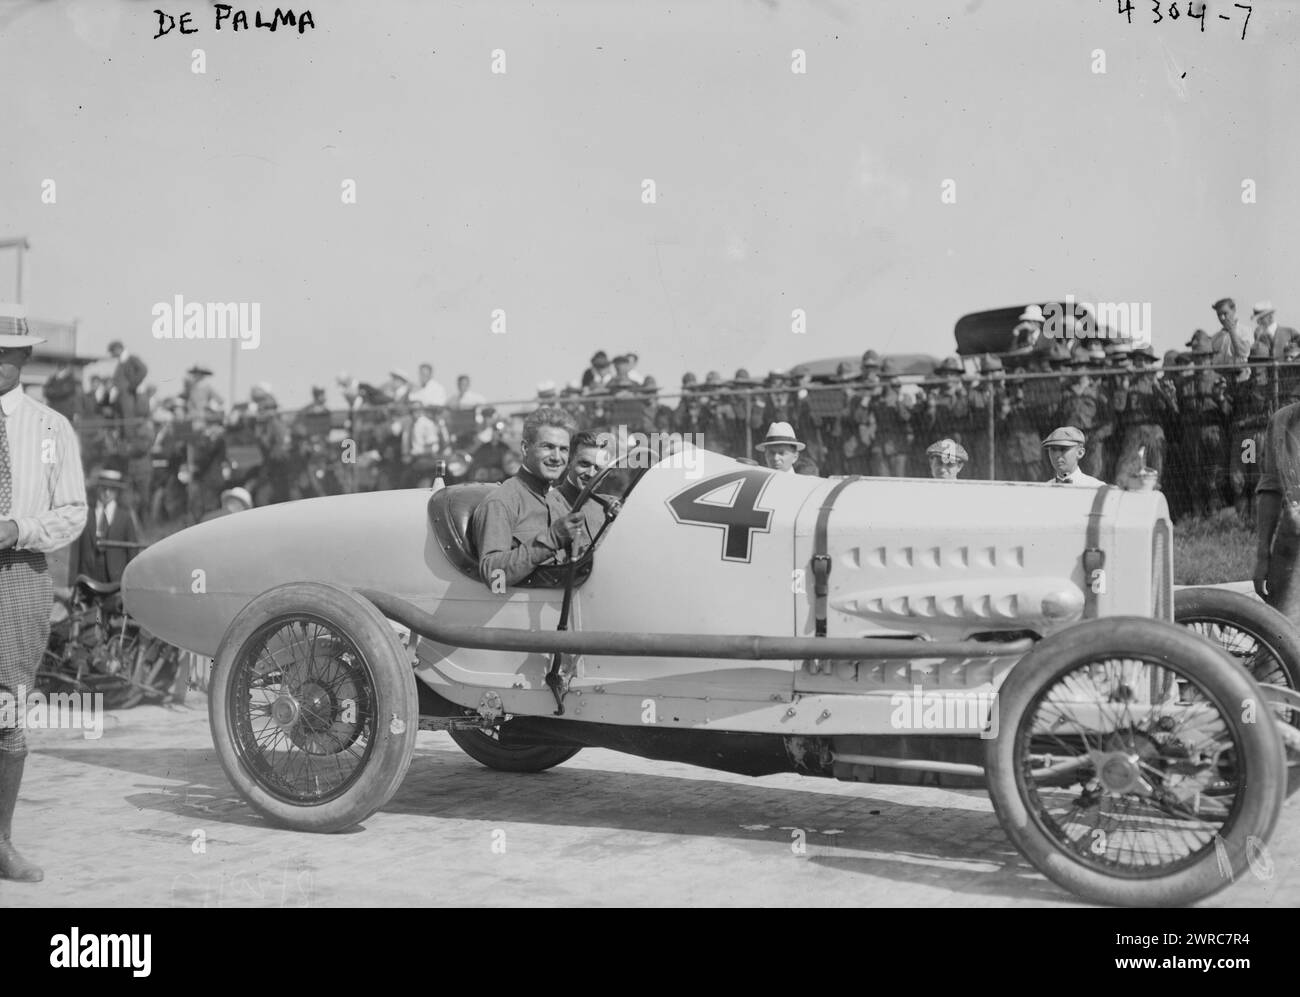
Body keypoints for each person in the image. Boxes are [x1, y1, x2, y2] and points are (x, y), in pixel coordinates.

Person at [0, 303, 88, 881]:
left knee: (8, 706)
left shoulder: (49, 430)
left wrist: (18, 528)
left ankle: (1, 843)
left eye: (3, 356)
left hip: (18, 573)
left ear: (24, 359)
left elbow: (73, 510)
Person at [470, 407, 586, 588]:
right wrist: (551, 539)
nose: (557, 457)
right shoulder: (502, 502)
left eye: (563, 449)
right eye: (547, 446)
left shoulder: (559, 502)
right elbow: (493, 576)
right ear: (525, 448)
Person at [1254, 401, 1300, 619]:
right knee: (1281, 638)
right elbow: (1271, 488)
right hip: (1291, 548)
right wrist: (1262, 556)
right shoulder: (1281, 420)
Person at [69, 467, 141, 585]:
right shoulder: (86, 514)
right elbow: (76, 550)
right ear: (98, 488)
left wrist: (131, 582)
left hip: (115, 578)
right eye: (104, 488)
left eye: (111, 489)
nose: (107, 493)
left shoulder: (125, 517)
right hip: (87, 577)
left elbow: (132, 551)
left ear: (117, 492)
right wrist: (72, 582)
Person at [551, 430, 616, 558]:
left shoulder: (611, 506)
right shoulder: (548, 504)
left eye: (598, 468)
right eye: (584, 464)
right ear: (569, 462)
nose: (591, 474)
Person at [107, 340, 148, 418]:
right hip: (122, 396)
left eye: (112, 351)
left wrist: (132, 385)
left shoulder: (131, 359)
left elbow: (143, 370)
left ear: (118, 349)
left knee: (128, 420)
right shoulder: (121, 362)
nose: (112, 354)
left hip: (130, 395)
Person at [1209, 298, 1253, 365]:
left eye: (1225, 313)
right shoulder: (1215, 337)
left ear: (1234, 310)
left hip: (1239, 372)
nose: (1222, 318)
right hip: (1220, 373)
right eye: (1219, 315)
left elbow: (1243, 353)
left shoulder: (1245, 331)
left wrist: (1232, 331)